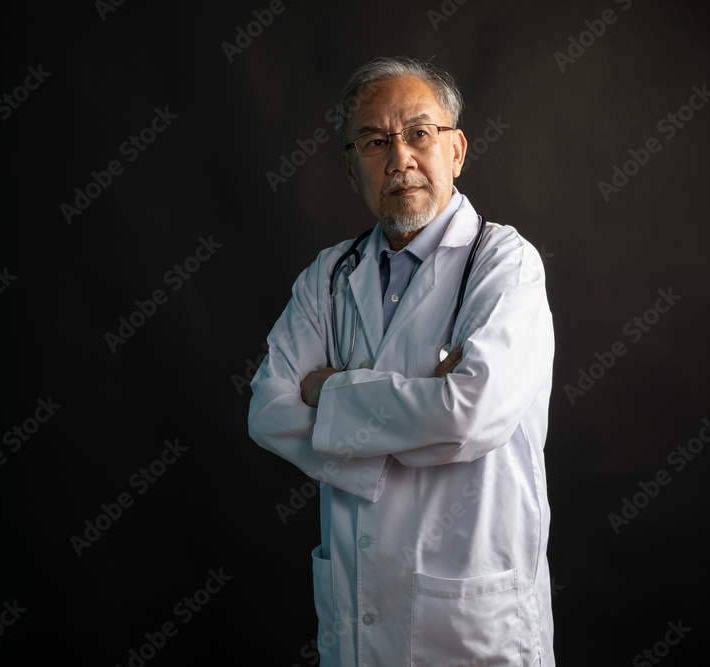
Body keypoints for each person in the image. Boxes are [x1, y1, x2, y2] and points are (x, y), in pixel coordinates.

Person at [248, 56, 555, 666]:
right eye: (373, 141)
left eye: (419, 133)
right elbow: (267, 410)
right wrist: (423, 407)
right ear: (350, 165)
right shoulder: (329, 277)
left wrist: (328, 390)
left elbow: (469, 414)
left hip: (470, 622)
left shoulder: (504, 265)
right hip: (360, 610)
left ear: (457, 149)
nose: (399, 159)